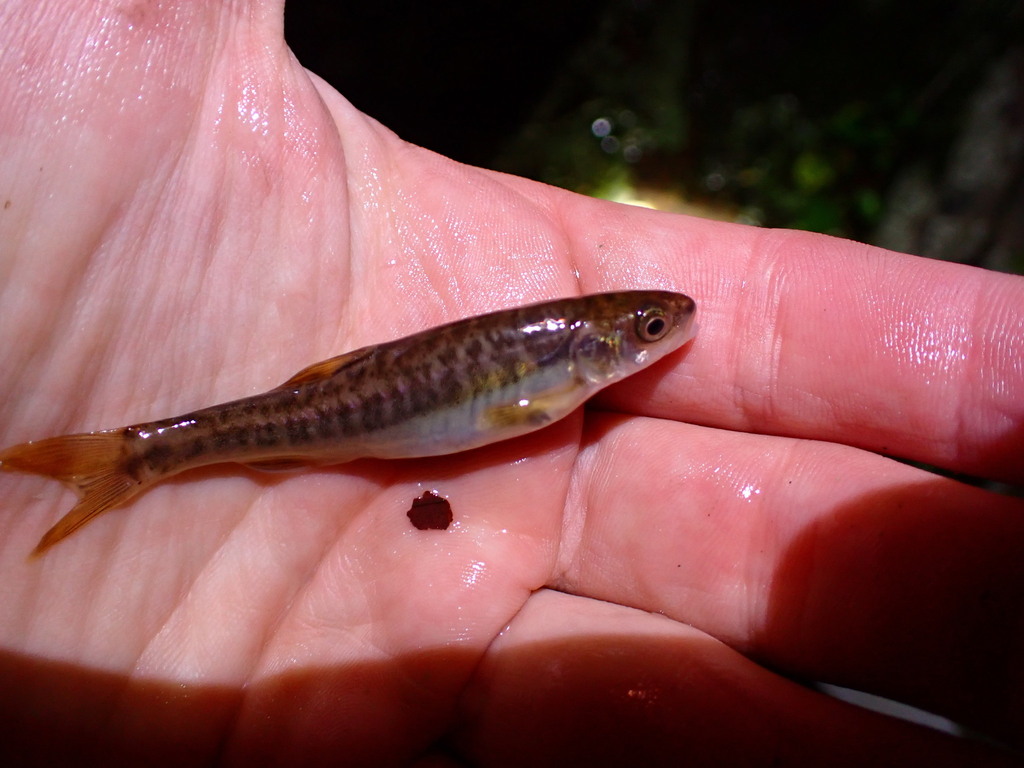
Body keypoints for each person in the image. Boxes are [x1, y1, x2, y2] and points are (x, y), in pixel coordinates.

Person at [0, 2, 1021, 765]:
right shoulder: (552, 383)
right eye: (653, 329)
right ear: (598, 350)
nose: (668, 336)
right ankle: (141, 456)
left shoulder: (560, 378)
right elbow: (519, 407)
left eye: (654, 328)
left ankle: (144, 456)